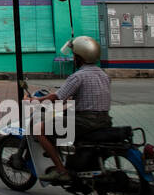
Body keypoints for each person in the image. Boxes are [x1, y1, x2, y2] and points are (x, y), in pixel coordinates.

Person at [26, 35, 111, 184]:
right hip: (104, 120)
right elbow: (88, 96)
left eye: (74, 55)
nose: (73, 58)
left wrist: (36, 100)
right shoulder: (104, 75)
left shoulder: (78, 76)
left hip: (85, 122)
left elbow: (57, 97)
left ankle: (61, 170)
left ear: (81, 57)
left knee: (39, 130)